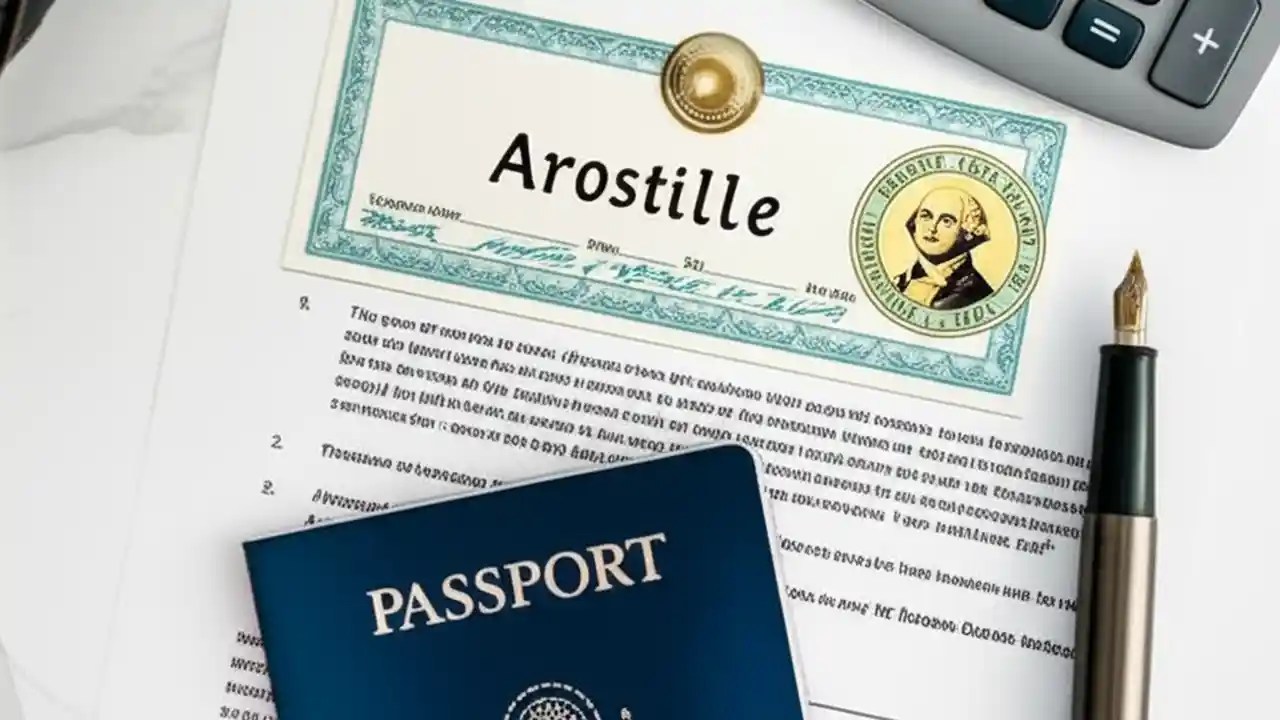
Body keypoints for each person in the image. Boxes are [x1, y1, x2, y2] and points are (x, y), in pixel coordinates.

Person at [894, 187, 995, 310]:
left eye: (946, 221)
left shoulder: (974, 294)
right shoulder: (900, 282)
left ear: (966, 232)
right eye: (926, 216)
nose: (932, 228)